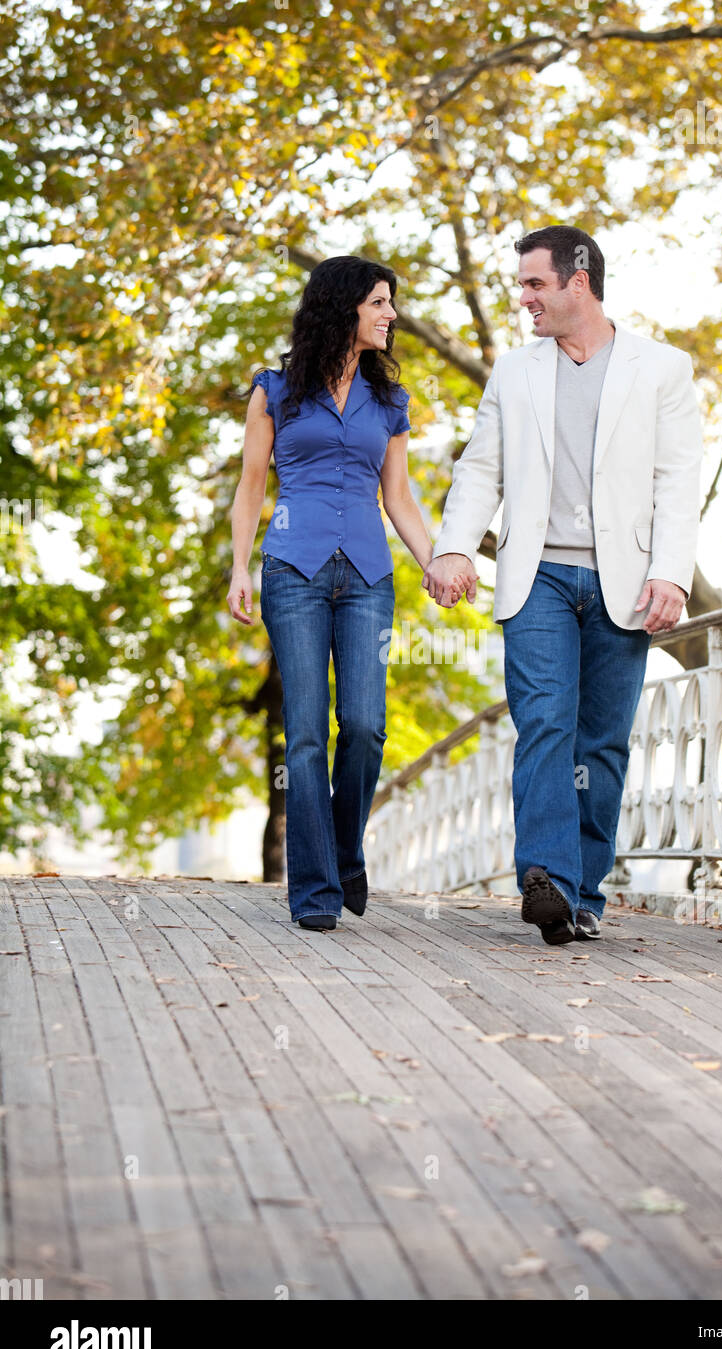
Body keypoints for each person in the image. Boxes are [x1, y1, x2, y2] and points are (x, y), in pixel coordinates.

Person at [424, 225, 703, 946]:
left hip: (626, 581)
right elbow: (481, 467)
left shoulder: (662, 370)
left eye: (534, 284)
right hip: (537, 575)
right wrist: (455, 548)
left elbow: (677, 481)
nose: (523, 299)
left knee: (602, 744)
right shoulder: (515, 370)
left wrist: (671, 571)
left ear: (579, 281)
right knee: (545, 722)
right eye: (521, 286)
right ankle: (545, 876)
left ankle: (583, 896)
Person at [228, 255, 464, 931]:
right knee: (303, 733)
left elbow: (400, 498)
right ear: (345, 307)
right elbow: (250, 487)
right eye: (381, 303)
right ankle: (316, 890)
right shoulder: (275, 390)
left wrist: (435, 561)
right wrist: (240, 567)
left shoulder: (389, 402)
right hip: (292, 572)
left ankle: (342, 848)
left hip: (367, 576)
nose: (391, 315)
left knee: (363, 726)